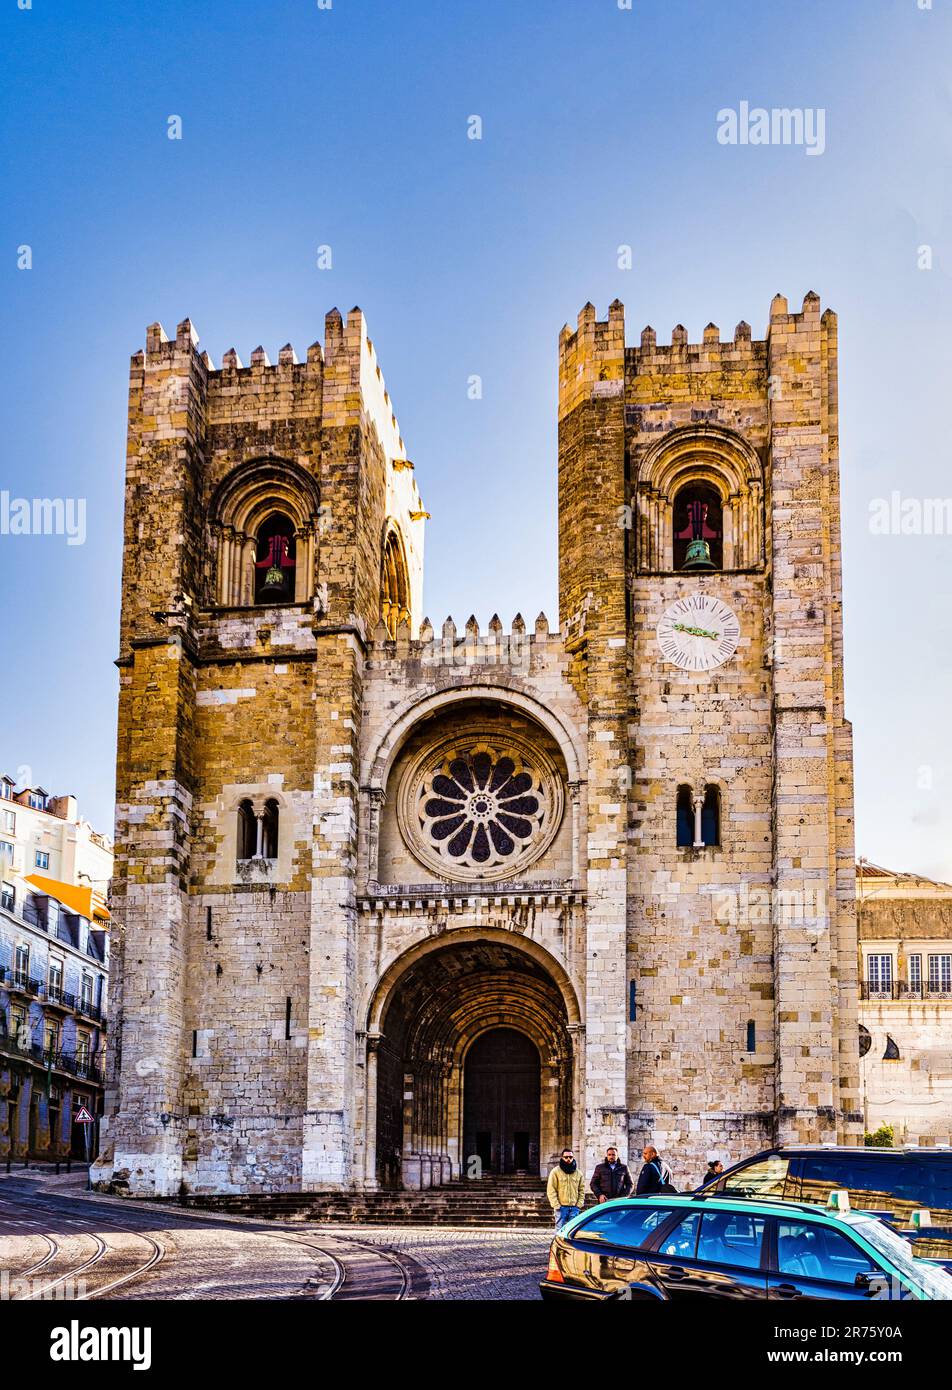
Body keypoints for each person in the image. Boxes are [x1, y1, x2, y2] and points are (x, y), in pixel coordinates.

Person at [547, 1147, 586, 1231]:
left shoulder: (578, 1173)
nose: (568, 1159)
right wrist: (556, 1205)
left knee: (572, 1231)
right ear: (562, 1158)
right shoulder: (555, 1172)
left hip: (574, 1208)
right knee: (559, 1231)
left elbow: (582, 1190)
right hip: (561, 1208)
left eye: (570, 1157)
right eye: (566, 1157)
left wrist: (579, 1204)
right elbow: (551, 1189)